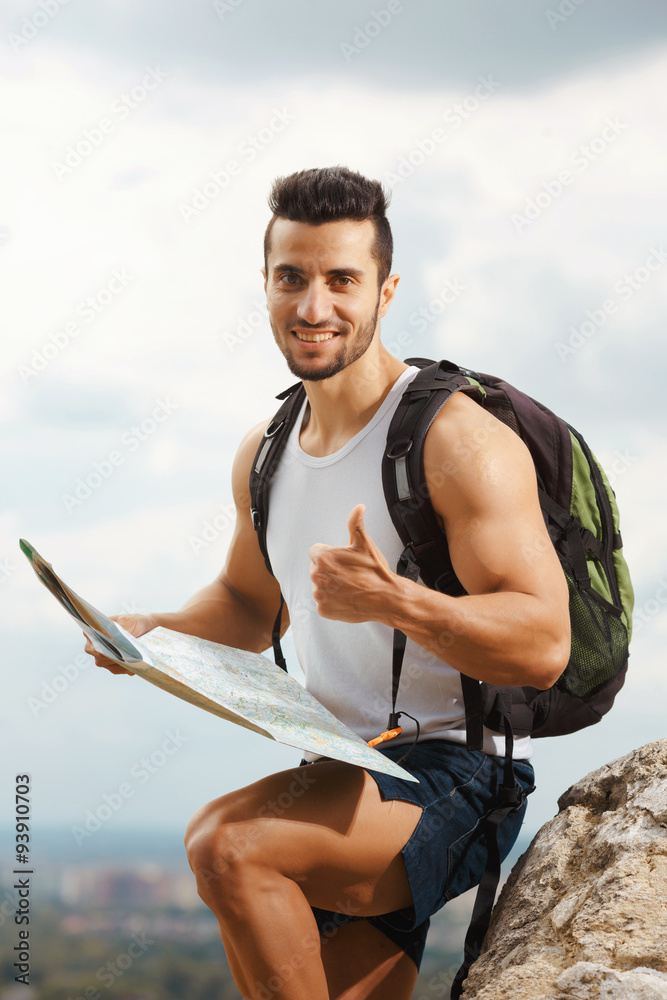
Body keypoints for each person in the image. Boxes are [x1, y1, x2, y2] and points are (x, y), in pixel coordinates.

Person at [86, 166, 570, 1000]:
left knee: (228, 845)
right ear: (266, 286)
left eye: (341, 279)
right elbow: (246, 606)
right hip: (339, 772)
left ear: (385, 291)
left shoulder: (457, 441)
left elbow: (543, 644)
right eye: (291, 278)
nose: (313, 306)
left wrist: (395, 600)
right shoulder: (268, 449)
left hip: (452, 779)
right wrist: (149, 635)